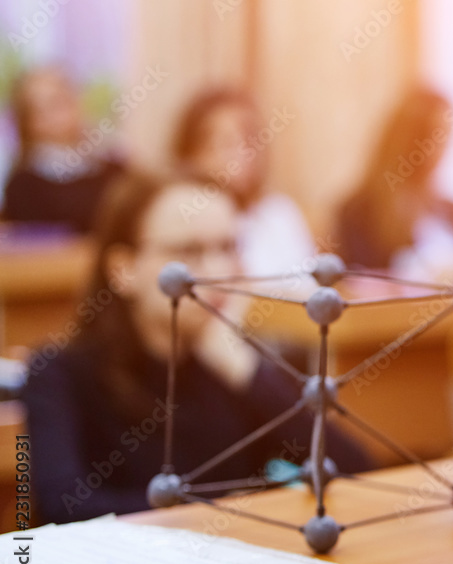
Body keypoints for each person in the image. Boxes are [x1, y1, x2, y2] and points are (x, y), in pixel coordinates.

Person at [21, 172, 373, 524]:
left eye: (228, 248)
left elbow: (356, 470)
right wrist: (220, 506)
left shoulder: (236, 370)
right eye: (188, 251)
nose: (217, 271)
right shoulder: (59, 374)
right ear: (123, 269)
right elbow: (63, 508)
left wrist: (248, 374)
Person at [336, 87, 453, 274]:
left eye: (446, 138)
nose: (442, 150)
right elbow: (358, 281)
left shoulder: (448, 210)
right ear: (409, 141)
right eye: (434, 138)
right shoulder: (358, 213)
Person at [172, 88, 316, 277]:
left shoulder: (279, 214)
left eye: (249, 142)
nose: (241, 155)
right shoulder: (181, 220)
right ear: (192, 153)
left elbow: (308, 284)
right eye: (225, 143)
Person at [1, 66, 124, 234]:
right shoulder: (24, 187)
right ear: (33, 123)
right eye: (54, 103)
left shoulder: (115, 171)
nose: (67, 105)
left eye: (67, 92)